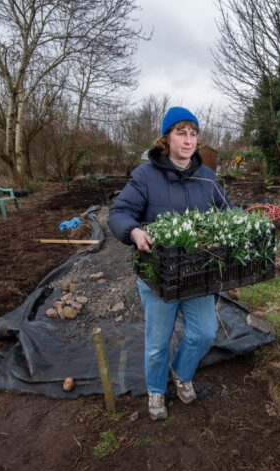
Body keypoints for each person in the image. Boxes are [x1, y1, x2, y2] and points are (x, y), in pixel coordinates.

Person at [108, 106, 235, 420]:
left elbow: (228, 210)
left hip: (197, 273)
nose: (189, 140)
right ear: (166, 138)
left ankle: (182, 372)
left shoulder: (207, 177)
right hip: (159, 275)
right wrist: (134, 230)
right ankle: (155, 391)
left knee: (204, 333)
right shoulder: (145, 176)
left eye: (193, 133)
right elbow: (119, 213)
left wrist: (242, 223)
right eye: (181, 133)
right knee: (157, 342)